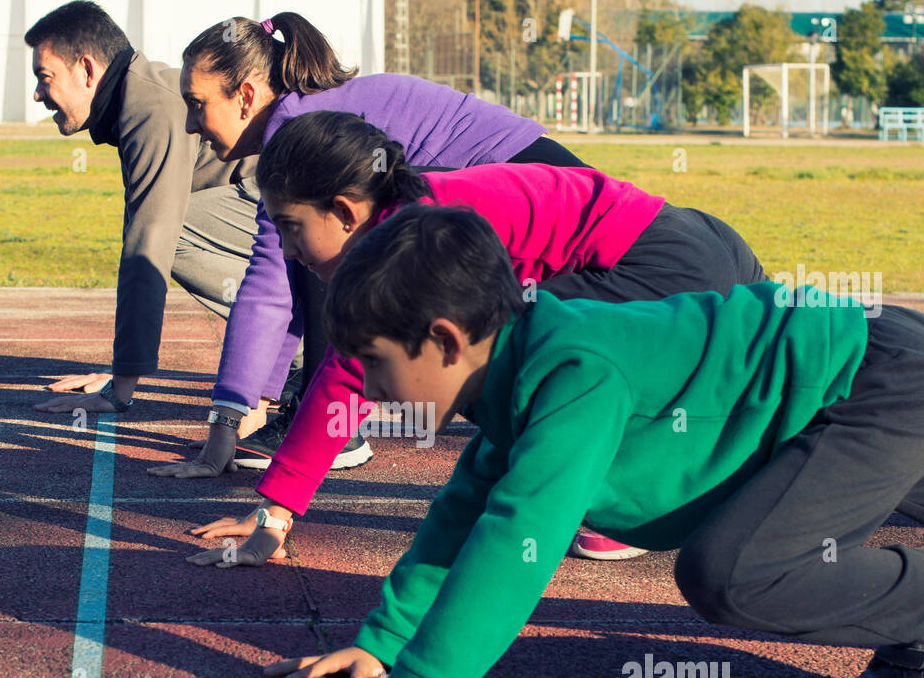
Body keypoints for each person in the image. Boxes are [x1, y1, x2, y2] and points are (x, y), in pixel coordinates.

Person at [264, 206, 924, 678]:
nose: (364, 384)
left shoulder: (572, 372)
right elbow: (463, 513)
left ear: (445, 338)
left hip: (874, 386)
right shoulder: (517, 369)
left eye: (373, 362)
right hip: (859, 384)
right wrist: (385, 643)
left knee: (736, 572)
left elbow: (517, 535)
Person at [181, 111, 766, 567]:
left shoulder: (412, 238)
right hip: (702, 238)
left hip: (662, 265)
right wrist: (279, 503)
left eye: (290, 227)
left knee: (516, 363)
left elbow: (348, 371)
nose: (285, 249)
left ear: (344, 210)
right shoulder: (410, 213)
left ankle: (633, 501)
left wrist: (275, 513)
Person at [152, 11, 589, 482]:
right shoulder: (301, 114)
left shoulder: (297, 132)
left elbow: (267, 286)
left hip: (546, 192)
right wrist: (255, 400)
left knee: (557, 354)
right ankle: (317, 418)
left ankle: (616, 493)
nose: (193, 125)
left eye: (197, 104)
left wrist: (223, 429)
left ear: (246, 96)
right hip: (533, 183)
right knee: (316, 252)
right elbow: (284, 283)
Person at [22, 0, 283, 433]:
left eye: (44, 78)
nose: (37, 94)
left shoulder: (149, 106)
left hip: (288, 201)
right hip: (267, 202)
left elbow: (151, 238)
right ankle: (289, 352)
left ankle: (292, 355)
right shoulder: (136, 98)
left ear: (87, 70)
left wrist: (121, 386)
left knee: (169, 231)